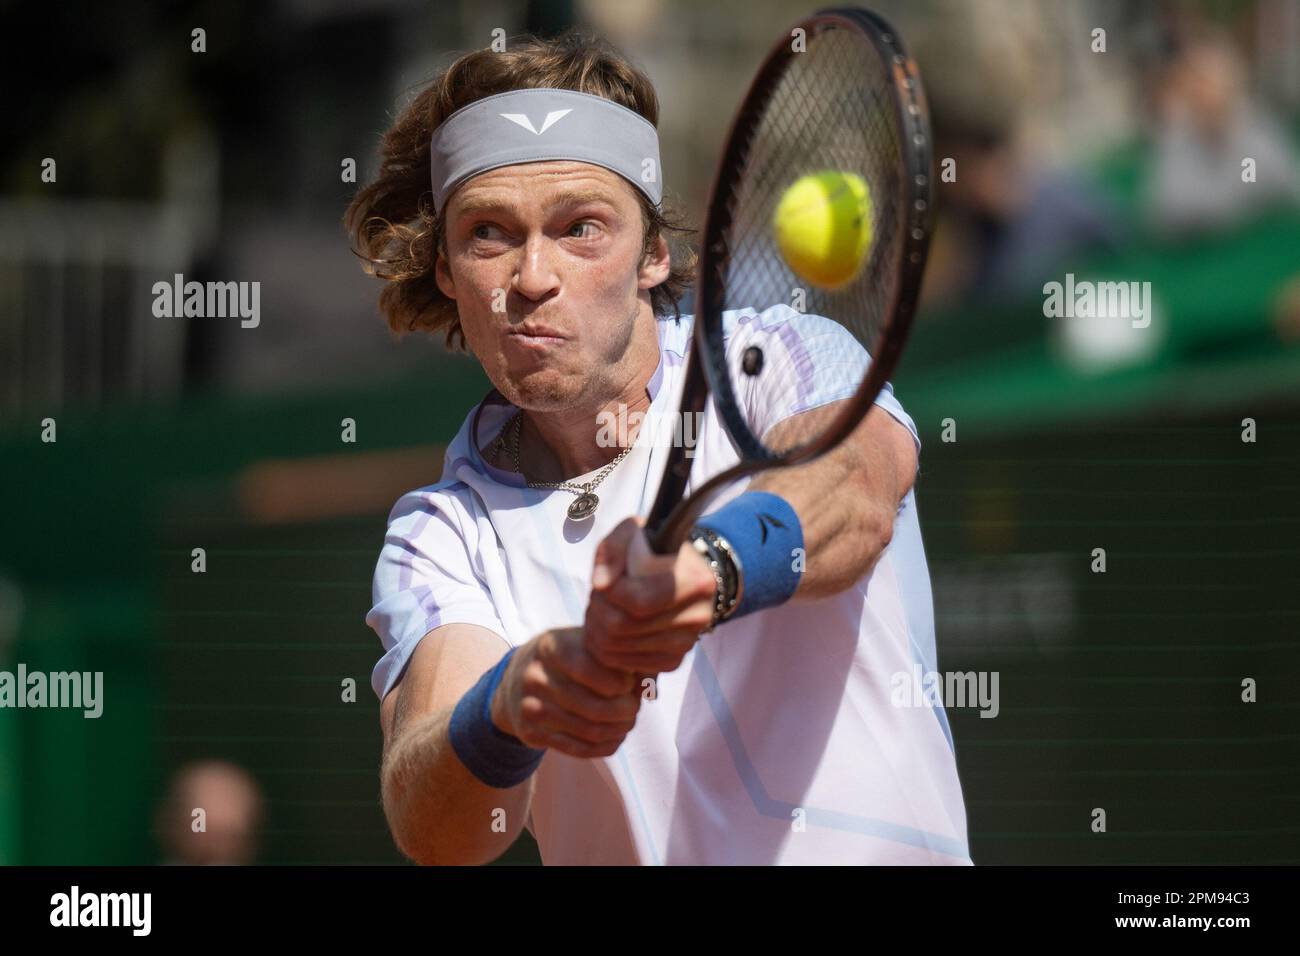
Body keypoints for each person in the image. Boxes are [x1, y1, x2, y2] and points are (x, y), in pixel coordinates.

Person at [348, 29, 970, 865]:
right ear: (450, 274)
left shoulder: (778, 358)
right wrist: (511, 705)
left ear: (652, 257)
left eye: (581, 228)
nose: (532, 276)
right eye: (489, 234)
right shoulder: (441, 536)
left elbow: (854, 494)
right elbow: (436, 830)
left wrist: (705, 572)